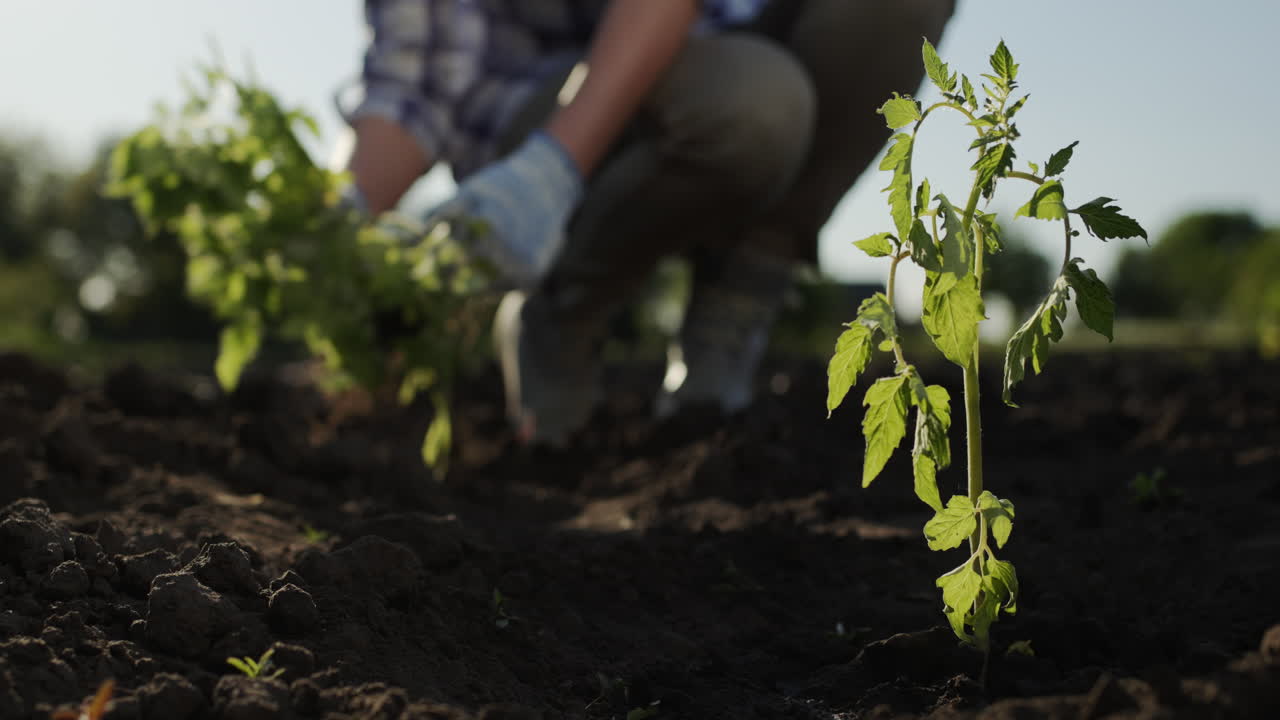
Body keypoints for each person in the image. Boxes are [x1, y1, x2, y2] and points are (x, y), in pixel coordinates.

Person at [335, 0, 957, 447]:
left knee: (858, 32)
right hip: (530, 119)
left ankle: (739, 293)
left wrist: (556, 168)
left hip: (708, 44)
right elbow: (408, 87)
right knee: (757, 105)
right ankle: (564, 309)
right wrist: (329, 237)